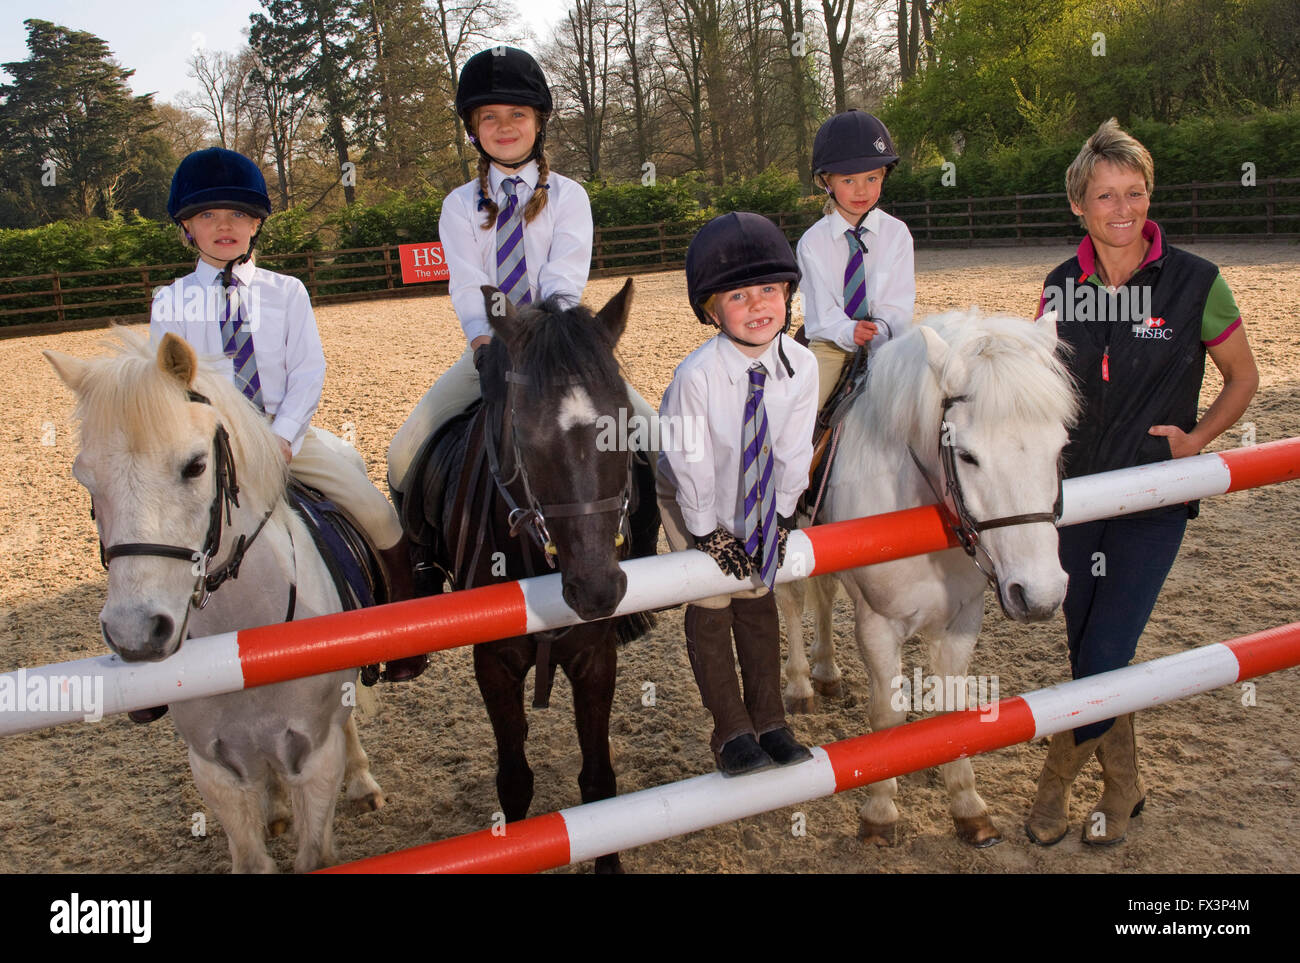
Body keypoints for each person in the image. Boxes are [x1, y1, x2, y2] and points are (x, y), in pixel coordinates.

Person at [1026, 118, 1258, 846]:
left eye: (1135, 192)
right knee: (1096, 651)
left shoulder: (1196, 281)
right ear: (1078, 205)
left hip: (1154, 496)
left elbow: (1244, 376)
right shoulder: (1060, 286)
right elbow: (1034, 388)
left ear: (1149, 195)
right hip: (1073, 500)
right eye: (1105, 195)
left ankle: (1053, 783)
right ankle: (1124, 785)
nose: (1122, 209)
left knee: (1103, 650)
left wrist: (1199, 439)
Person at [149, 147, 426, 705]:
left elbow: (307, 370)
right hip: (210, 444)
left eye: (237, 215)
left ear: (256, 223)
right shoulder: (171, 301)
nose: (224, 226)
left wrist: (283, 437)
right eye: (208, 216)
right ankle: (152, 668)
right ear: (187, 227)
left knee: (376, 513)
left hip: (285, 435)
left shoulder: (286, 292)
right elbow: (167, 385)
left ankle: (403, 638)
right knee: (146, 527)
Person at [386, 46, 657, 500]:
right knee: (402, 455)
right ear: (473, 130)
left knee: (654, 436)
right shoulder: (458, 205)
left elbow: (562, 279)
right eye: (489, 117)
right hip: (493, 346)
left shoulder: (569, 197)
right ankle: (424, 567)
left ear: (539, 122)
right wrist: (484, 341)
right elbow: (469, 281)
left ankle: (661, 547)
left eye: (517, 113)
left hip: (559, 348)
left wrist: (552, 341)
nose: (505, 126)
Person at [658, 212, 819, 776]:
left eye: (769, 291)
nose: (758, 307)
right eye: (739, 296)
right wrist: (705, 530)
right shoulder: (696, 376)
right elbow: (689, 458)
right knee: (714, 597)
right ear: (711, 310)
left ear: (789, 294)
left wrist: (779, 516)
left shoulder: (801, 367)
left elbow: (796, 448)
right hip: (688, 493)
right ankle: (730, 731)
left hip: (759, 495)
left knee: (757, 592)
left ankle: (771, 721)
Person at [796, 110, 915, 411]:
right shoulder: (813, 242)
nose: (862, 190)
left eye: (872, 178)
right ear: (827, 181)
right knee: (804, 408)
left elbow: (898, 303)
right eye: (849, 180)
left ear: (884, 175)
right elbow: (820, 312)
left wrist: (879, 331)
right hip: (833, 343)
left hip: (888, 341)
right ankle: (798, 455)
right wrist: (849, 332)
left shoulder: (897, 234)